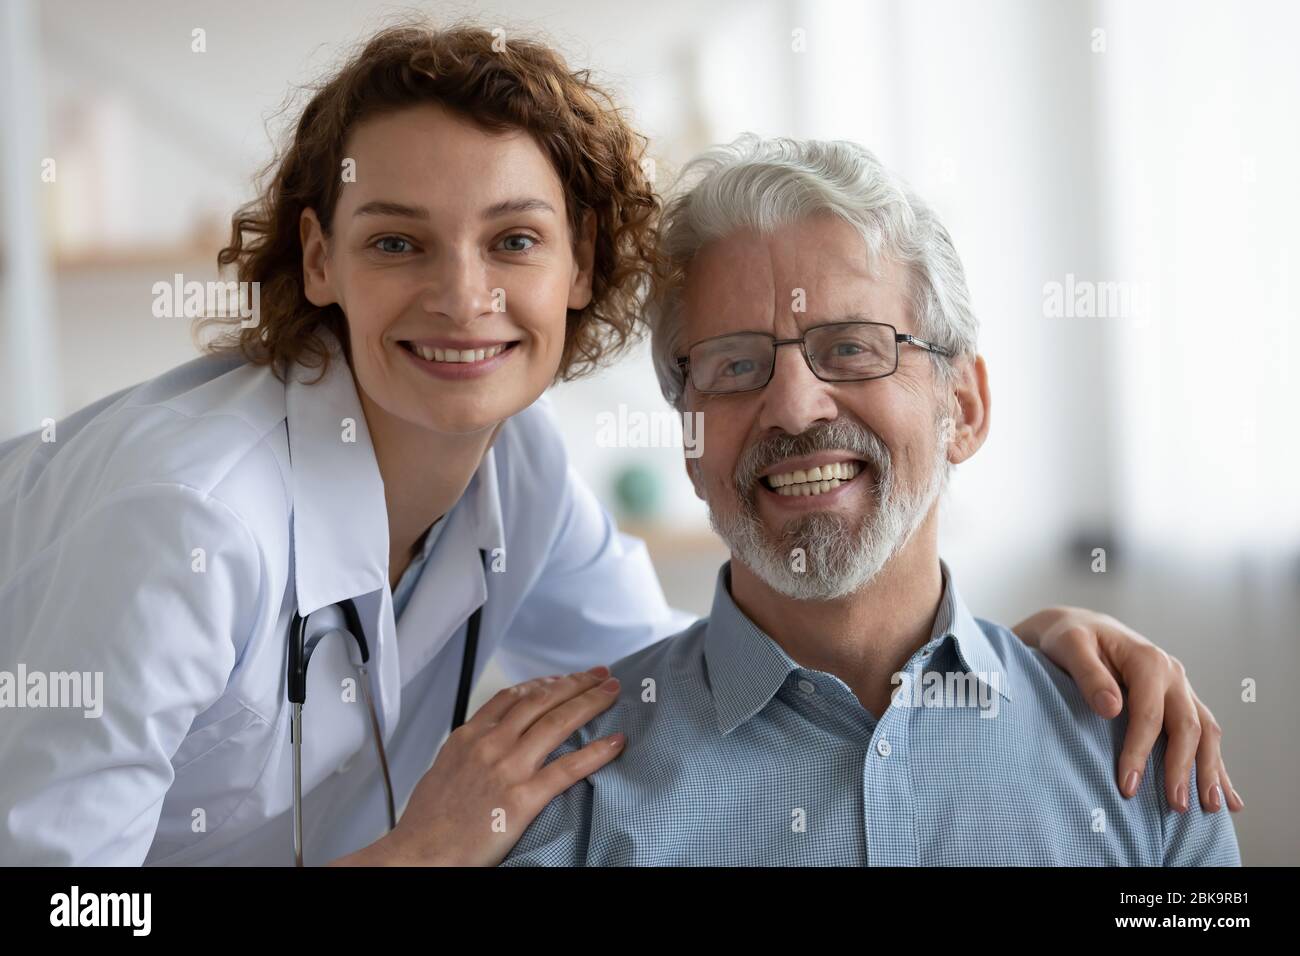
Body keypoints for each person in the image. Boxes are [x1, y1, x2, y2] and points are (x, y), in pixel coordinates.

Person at [0, 25, 1237, 868]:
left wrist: (990, 666)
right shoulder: (182, 520)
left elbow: (703, 680)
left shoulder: (517, 469)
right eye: (395, 241)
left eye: (515, 239)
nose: (462, 295)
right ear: (318, 256)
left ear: (582, 262)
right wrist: (415, 859)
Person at [500, 136, 1241, 866]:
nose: (793, 407)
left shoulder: (1141, 753)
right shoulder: (565, 796)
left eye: (851, 347)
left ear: (965, 407)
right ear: (689, 442)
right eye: (736, 364)